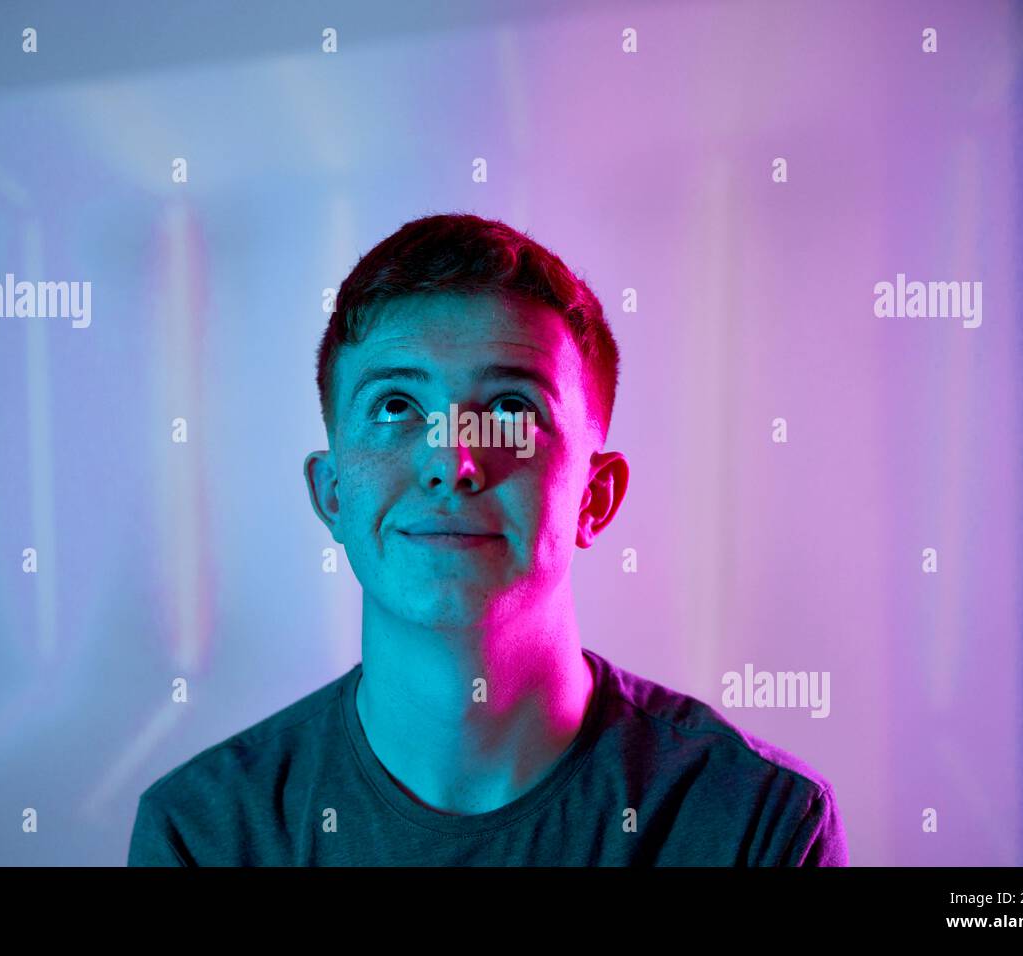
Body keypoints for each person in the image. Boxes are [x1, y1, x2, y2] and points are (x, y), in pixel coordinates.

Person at [127, 212, 848, 865]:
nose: (452, 460)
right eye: (397, 405)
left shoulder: (756, 824)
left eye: (509, 408)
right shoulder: (207, 835)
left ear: (594, 498)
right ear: (333, 495)